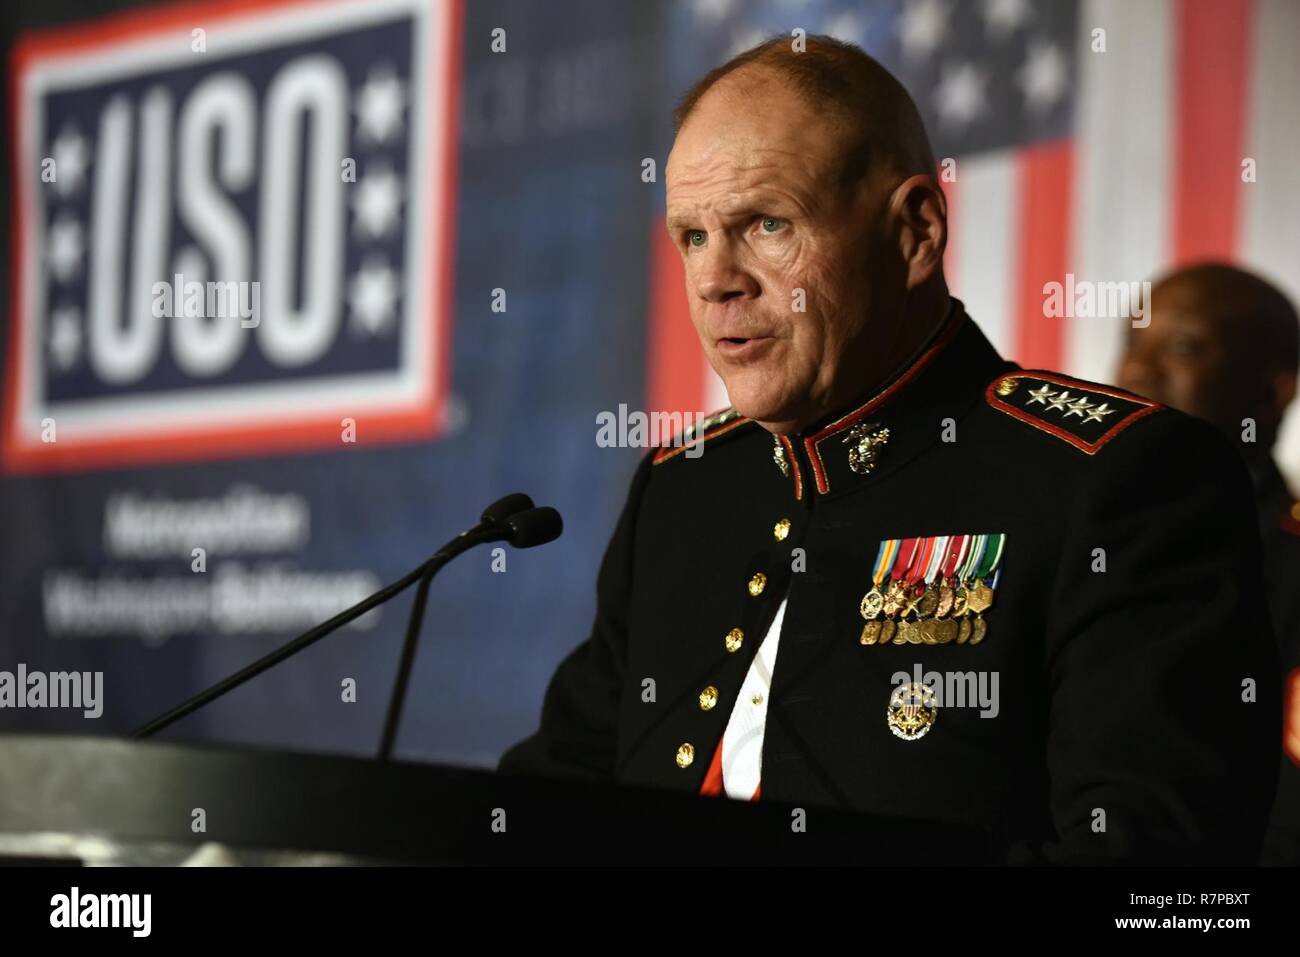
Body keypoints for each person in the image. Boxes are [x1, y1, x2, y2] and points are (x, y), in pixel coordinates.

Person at [500, 36, 1279, 863]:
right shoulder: (683, 485)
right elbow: (558, 790)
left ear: (914, 233)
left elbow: (1153, 880)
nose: (714, 280)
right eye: (691, 236)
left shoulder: (1123, 478)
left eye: (766, 223)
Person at [1117, 262, 1300, 864]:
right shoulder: (1067, 537)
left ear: (1272, 393)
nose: (1137, 370)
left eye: (1184, 348)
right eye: (1130, 343)